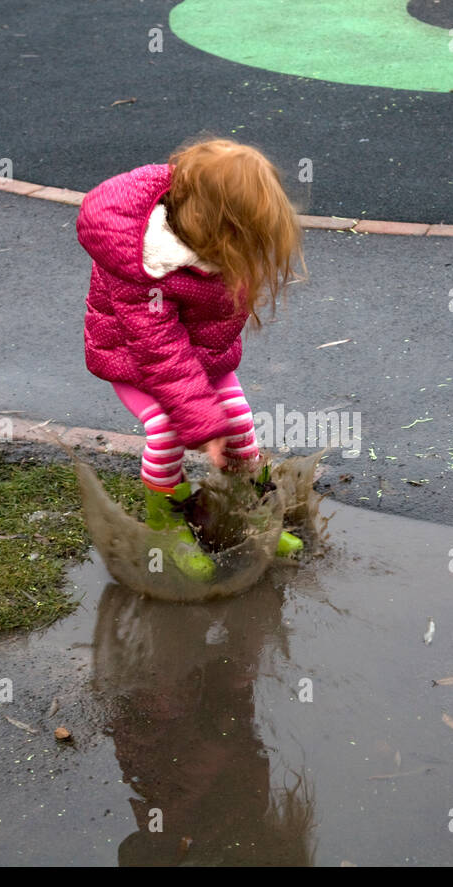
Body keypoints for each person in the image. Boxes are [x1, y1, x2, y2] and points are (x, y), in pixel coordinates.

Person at [77, 136, 308, 580]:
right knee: (167, 432)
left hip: (199, 360)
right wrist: (201, 424)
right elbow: (159, 350)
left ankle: (256, 513)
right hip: (134, 358)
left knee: (239, 424)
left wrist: (214, 419)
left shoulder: (213, 239)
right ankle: (168, 528)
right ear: (213, 223)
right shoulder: (144, 263)